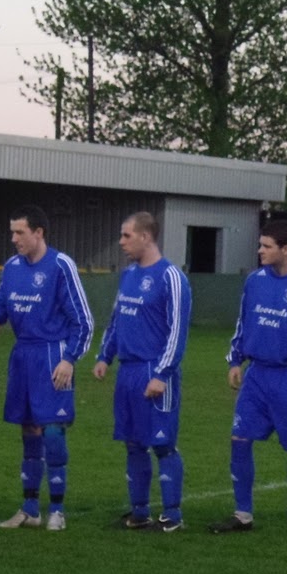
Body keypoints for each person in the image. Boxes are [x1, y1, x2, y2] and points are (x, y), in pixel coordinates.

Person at [212, 219, 287, 536]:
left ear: (285, 249)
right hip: (257, 376)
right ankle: (242, 515)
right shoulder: (254, 282)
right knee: (239, 439)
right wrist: (236, 359)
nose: (260, 251)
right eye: (260, 244)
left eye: (266, 246)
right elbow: (243, 323)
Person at [0, 205, 94, 531]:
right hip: (23, 356)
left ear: (39, 233)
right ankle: (30, 508)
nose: (14, 238)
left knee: (52, 432)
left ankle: (57, 511)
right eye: (12, 232)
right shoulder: (11, 267)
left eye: (19, 232)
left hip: (52, 356)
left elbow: (85, 322)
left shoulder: (60, 266)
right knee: (29, 432)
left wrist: (69, 359)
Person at [92, 212, 192, 531]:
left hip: (155, 370)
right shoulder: (128, 275)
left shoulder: (171, 277)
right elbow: (116, 320)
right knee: (133, 443)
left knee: (162, 444)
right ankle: (139, 511)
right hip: (128, 371)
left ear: (146, 237)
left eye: (126, 236)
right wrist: (105, 356)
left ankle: (172, 515)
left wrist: (162, 374)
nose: (121, 242)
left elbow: (178, 332)